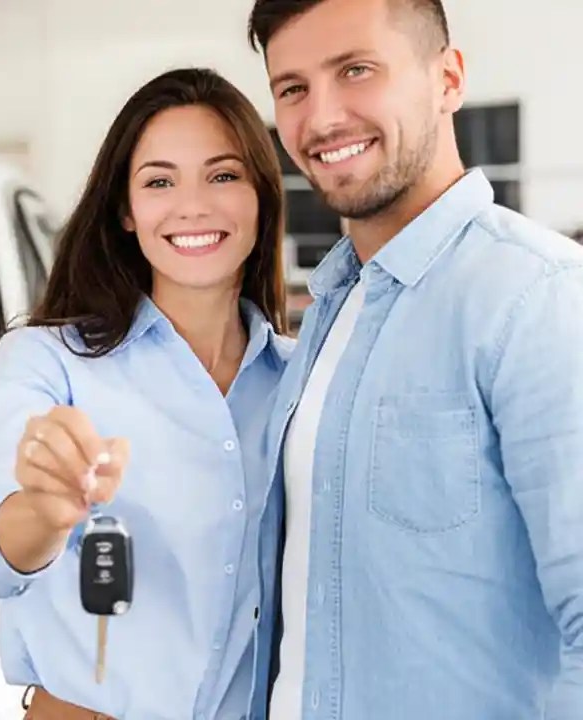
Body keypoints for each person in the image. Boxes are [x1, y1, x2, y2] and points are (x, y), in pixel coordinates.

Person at [246, 0, 583, 717]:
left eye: (356, 70)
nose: (323, 117)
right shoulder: (331, 311)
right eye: (293, 88)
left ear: (448, 79)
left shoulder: (537, 297)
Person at [0, 67, 294, 719]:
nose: (191, 206)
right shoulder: (48, 361)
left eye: (222, 176)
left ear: (261, 197)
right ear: (126, 213)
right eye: (160, 181)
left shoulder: (302, 381)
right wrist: (47, 510)